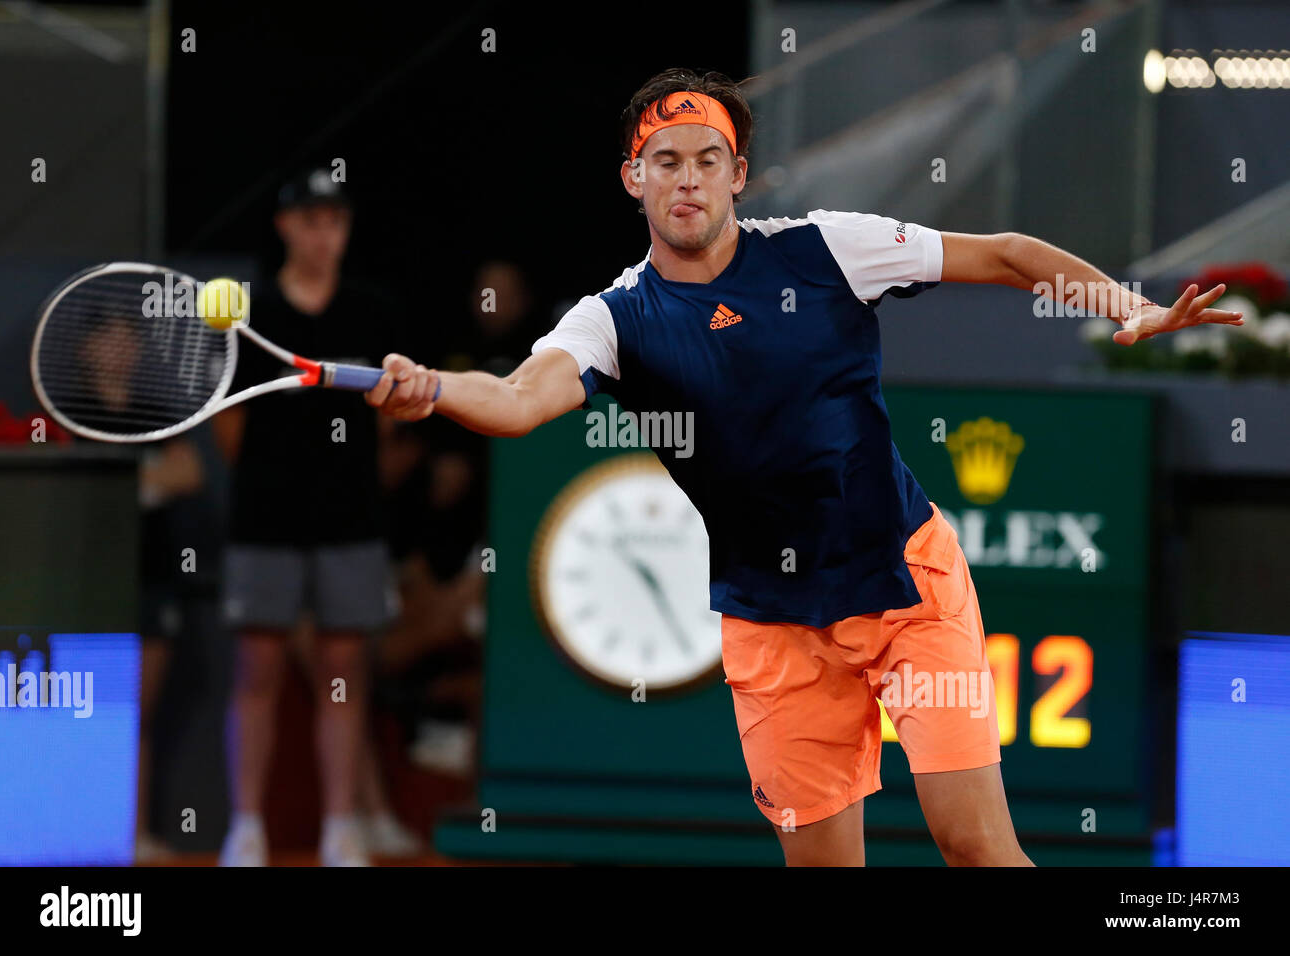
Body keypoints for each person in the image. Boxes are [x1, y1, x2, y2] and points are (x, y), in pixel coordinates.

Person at [365, 68, 1244, 866]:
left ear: (738, 175)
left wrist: (1124, 306)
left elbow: (1006, 252)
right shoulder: (614, 318)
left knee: (974, 844)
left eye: (708, 160)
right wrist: (433, 388)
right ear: (634, 178)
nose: (688, 179)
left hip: (905, 585)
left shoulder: (829, 249)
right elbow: (519, 400)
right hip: (772, 625)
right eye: (666, 162)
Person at [213, 168, 414, 866]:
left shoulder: (373, 312)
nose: (323, 234)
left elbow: (389, 421)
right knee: (257, 669)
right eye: (309, 220)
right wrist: (276, 481)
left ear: (346, 229)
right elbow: (229, 431)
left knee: (342, 671)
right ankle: (246, 828)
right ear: (285, 227)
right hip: (264, 524)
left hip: (349, 523)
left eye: (334, 221)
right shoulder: (247, 313)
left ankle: (340, 828)